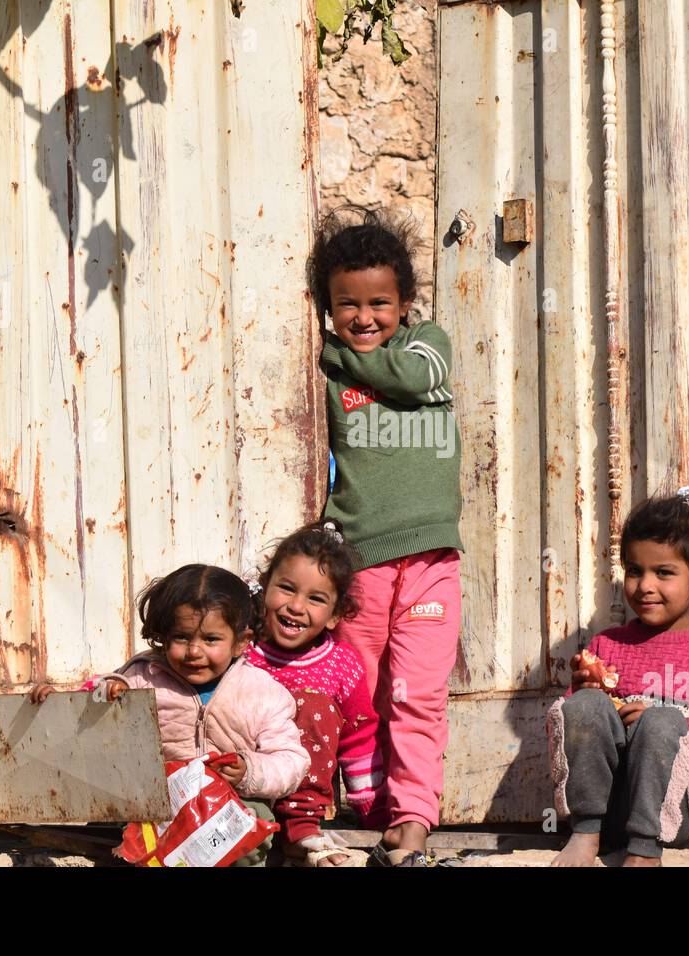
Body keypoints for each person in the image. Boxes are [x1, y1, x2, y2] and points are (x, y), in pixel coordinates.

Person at [308, 207, 463, 867]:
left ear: (406, 303)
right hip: (362, 560)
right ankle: (348, 801)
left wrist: (342, 351)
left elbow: (411, 379)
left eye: (380, 303)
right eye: (347, 306)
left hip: (430, 558)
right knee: (354, 684)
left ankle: (413, 817)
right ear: (326, 305)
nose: (364, 317)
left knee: (418, 691)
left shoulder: (427, 345)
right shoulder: (330, 362)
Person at [29, 563, 308, 866]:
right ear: (164, 637)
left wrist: (249, 771)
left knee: (248, 828)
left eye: (211, 639)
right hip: (161, 802)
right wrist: (68, 701)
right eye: (181, 637)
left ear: (240, 642)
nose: (194, 651)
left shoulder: (261, 694)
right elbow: (92, 699)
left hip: (233, 800)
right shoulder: (144, 677)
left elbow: (291, 760)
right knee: (127, 836)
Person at [548, 488, 689, 867]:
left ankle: (645, 852)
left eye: (663, 572)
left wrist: (683, 725)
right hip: (604, 810)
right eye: (634, 571)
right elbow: (566, 732)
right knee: (584, 705)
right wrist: (582, 694)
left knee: (663, 720)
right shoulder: (606, 645)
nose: (645, 585)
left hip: (670, 813)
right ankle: (584, 834)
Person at [245, 520, 381, 867]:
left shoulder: (341, 664)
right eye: (286, 589)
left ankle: (298, 829)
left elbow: (359, 737)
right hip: (245, 784)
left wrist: (371, 808)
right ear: (265, 588)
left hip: (301, 801)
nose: (296, 606)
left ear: (335, 615)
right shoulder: (241, 652)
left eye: (316, 599)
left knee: (311, 704)